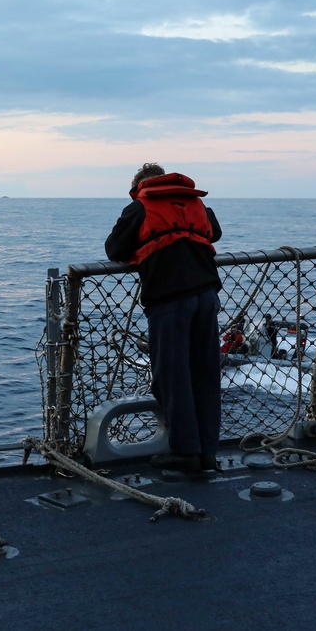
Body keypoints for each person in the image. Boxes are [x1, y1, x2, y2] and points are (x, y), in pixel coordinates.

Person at [105, 163, 223, 474]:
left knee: (173, 377)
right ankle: (207, 452)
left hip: (170, 300)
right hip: (207, 295)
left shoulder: (139, 207)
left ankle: (185, 452)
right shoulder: (197, 204)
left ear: (139, 188)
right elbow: (216, 233)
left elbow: (114, 249)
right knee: (206, 374)